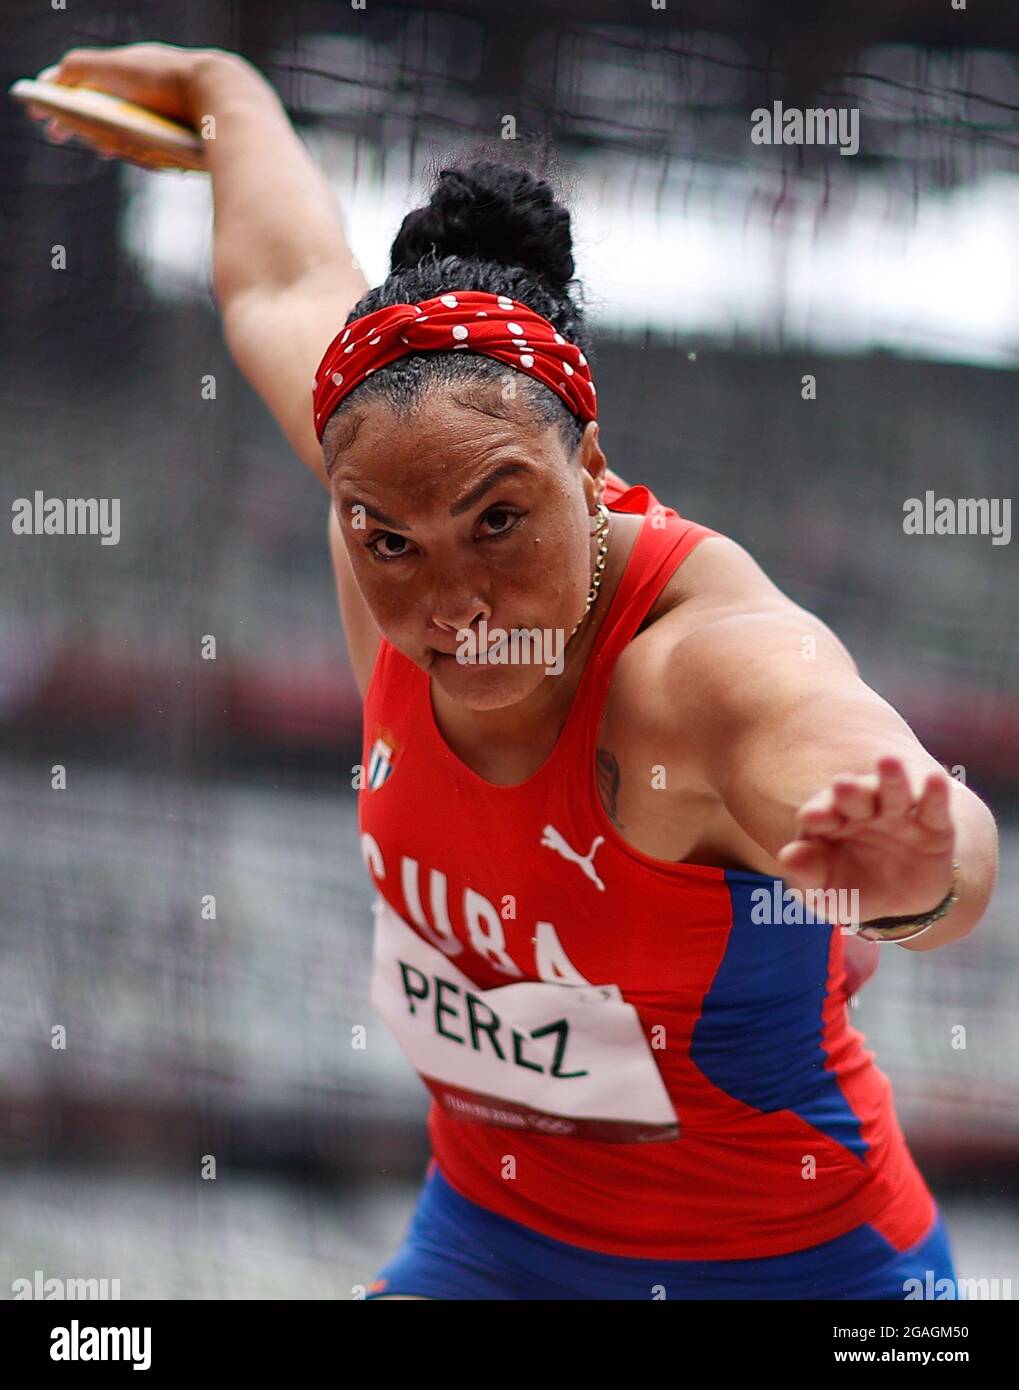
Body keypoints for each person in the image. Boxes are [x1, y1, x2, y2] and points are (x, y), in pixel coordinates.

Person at [30, 43, 999, 1301]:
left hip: (806, 1273)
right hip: (494, 1251)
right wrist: (222, 91)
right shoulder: (389, 480)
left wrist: (920, 876)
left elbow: (927, 825)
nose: (452, 605)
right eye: (389, 540)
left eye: (499, 522)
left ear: (590, 465)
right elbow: (282, 280)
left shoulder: (699, 671)